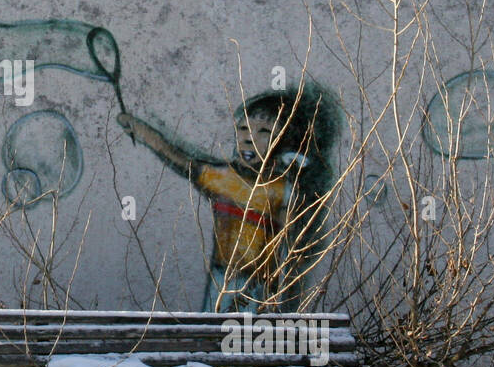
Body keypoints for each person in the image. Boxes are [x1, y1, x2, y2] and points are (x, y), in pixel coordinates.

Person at [118, 83, 340, 313]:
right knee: (213, 339)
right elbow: (179, 159)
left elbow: (289, 250)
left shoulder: (281, 189)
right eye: (243, 129)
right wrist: (141, 131)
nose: (248, 138)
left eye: (262, 131)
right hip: (221, 281)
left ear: (283, 139)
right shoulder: (223, 179)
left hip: (257, 287)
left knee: (243, 342)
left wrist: (263, 290)